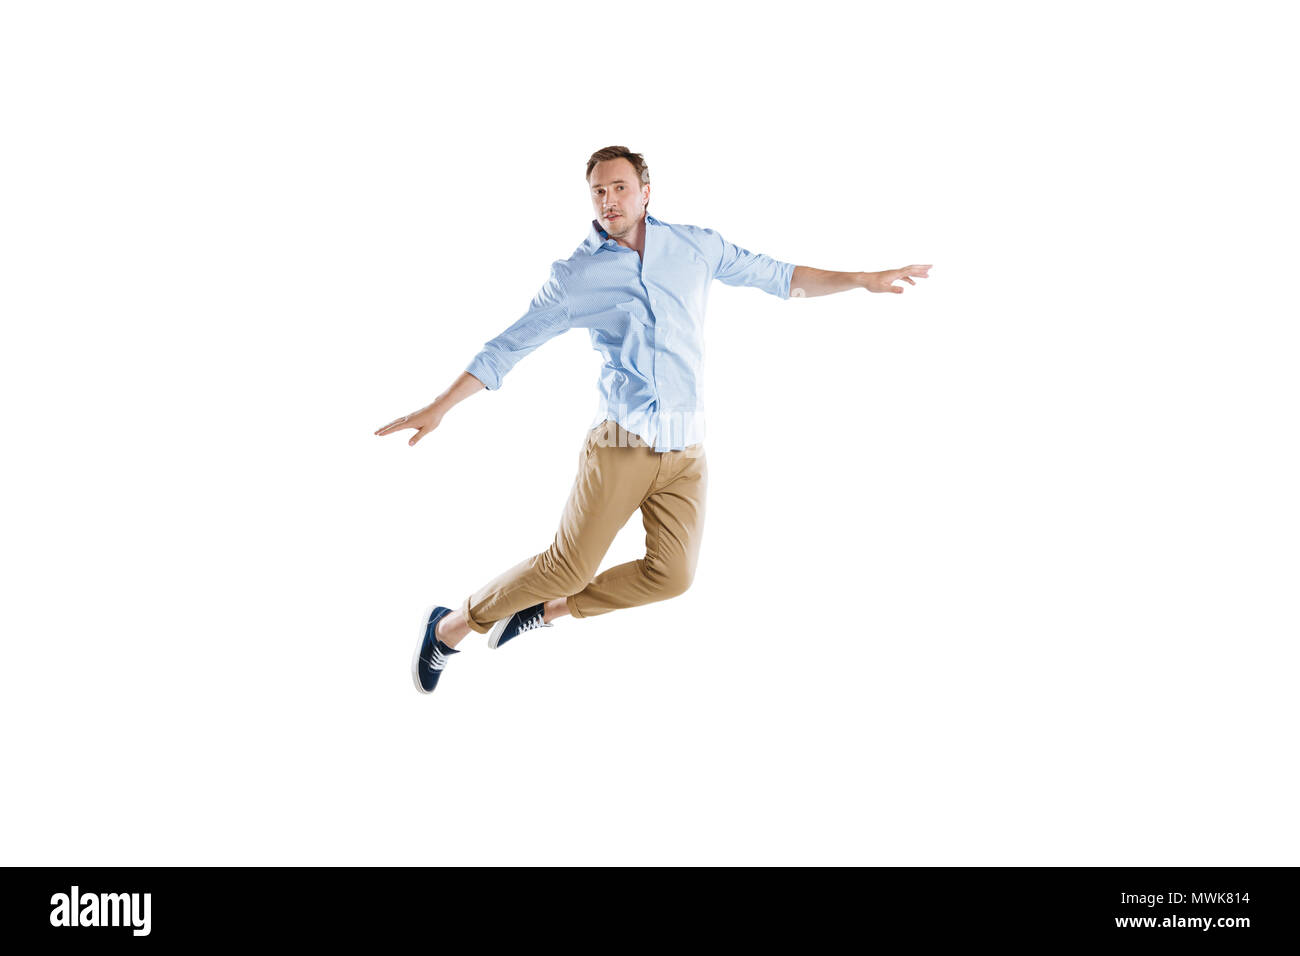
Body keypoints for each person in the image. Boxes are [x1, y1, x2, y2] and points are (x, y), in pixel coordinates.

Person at [375, 145, 932, 694]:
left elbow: (782, 277)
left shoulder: (695, 247)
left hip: (686, 450)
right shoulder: (577, 277)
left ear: (646, 192)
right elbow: (507, 346)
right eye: (598, 191)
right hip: (622, 444)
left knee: (673, 576)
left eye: (620, 188)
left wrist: (863, 278)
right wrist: (440, 407)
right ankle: (449, 628)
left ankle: (545, 612)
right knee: (567, 566)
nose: (608, 200)